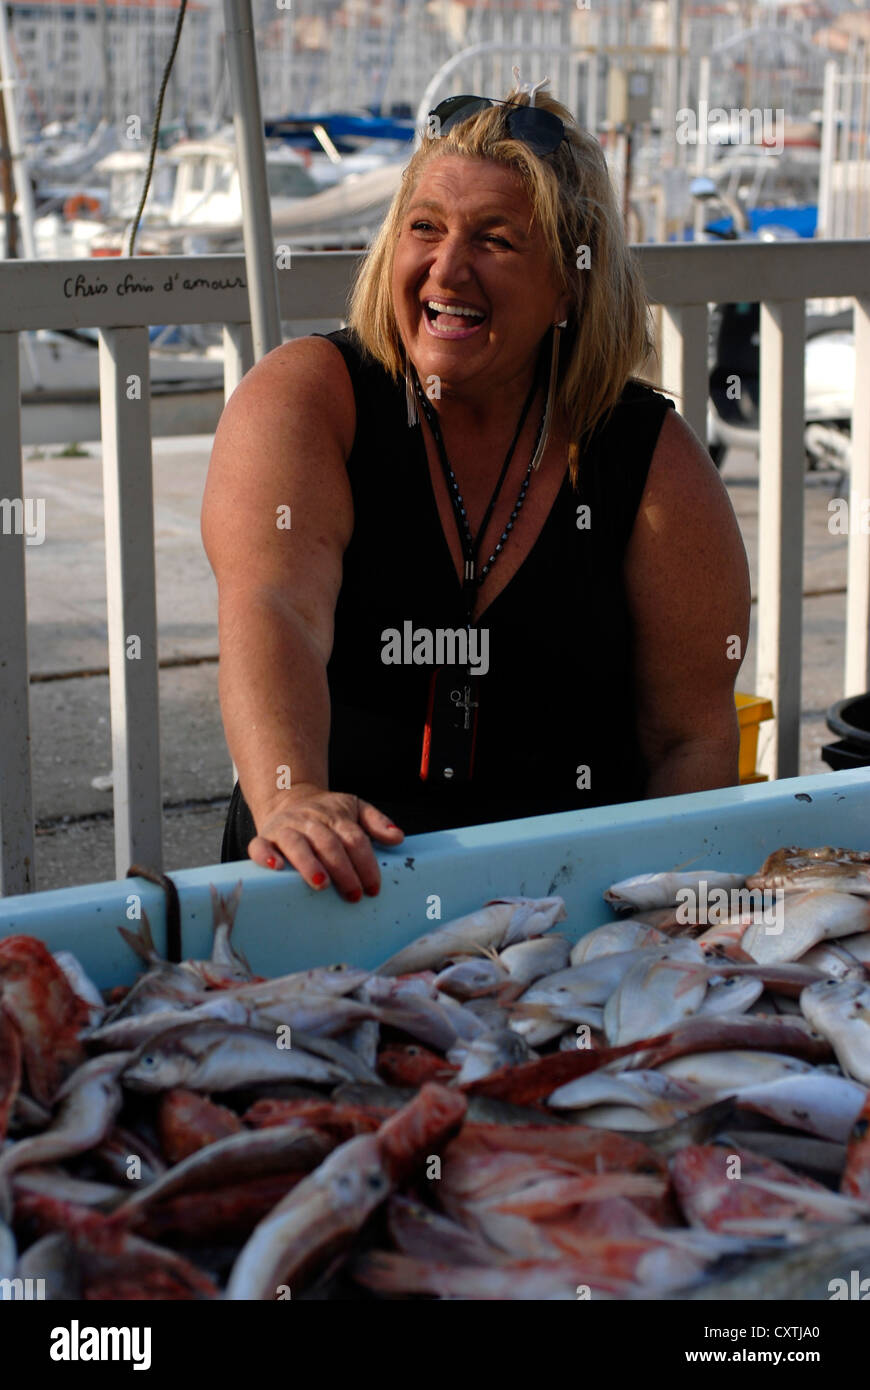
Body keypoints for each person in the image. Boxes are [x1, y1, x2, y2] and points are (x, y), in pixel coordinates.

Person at [201, 78, 750, 905]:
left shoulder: (647, 454)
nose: (447, 268)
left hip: (564, 908)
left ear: (569, 284)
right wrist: (291, 798)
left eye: (495, 240)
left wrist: (651, 913)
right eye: (425, 227)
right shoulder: (310, 396)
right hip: (329, 886)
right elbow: (274, 607)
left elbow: (692, 738)